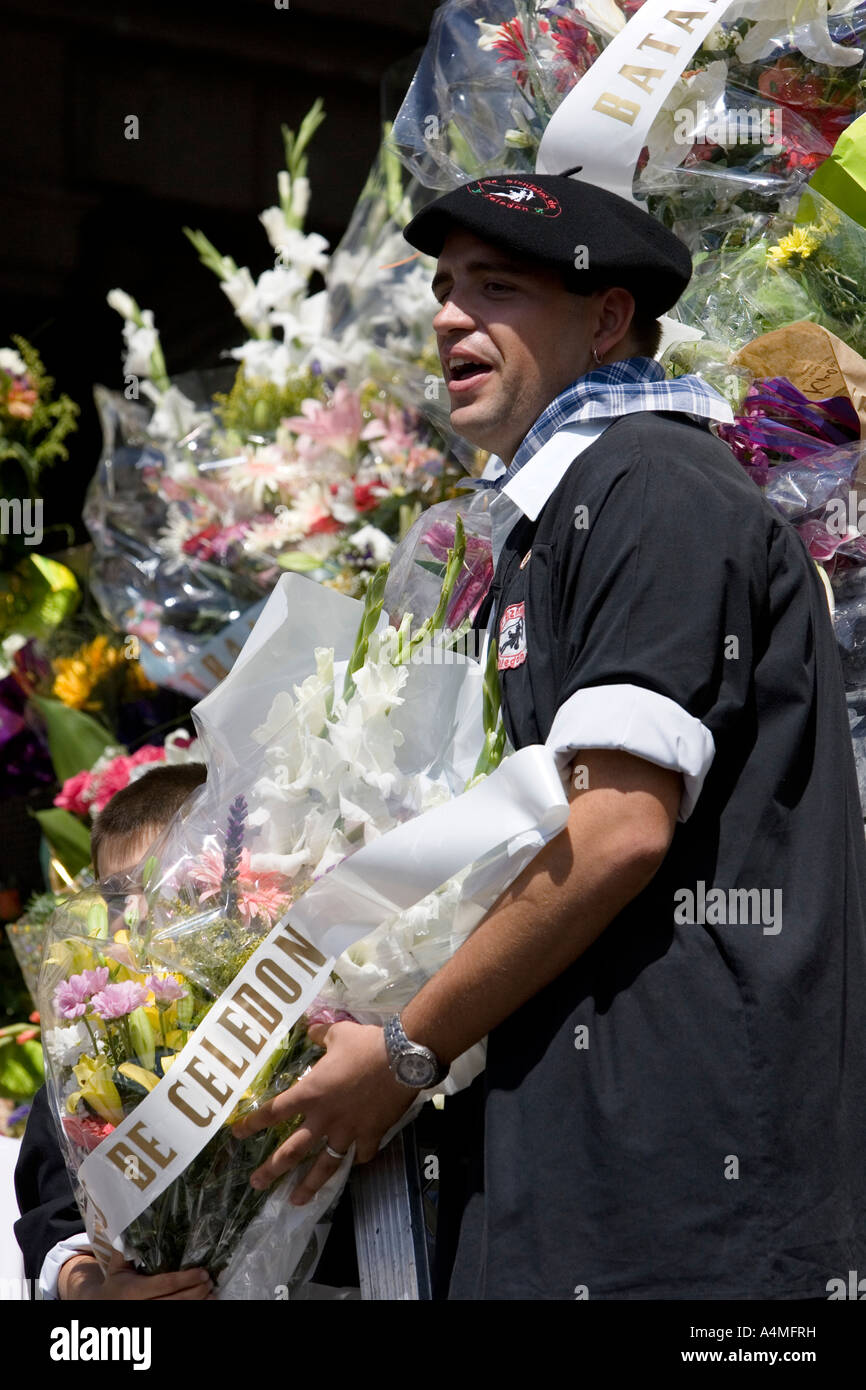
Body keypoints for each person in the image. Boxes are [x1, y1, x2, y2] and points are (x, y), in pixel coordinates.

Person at [232, 171, 866, 1300]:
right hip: (570, 1178)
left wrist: (403, 1052)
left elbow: (616, 830)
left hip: (678, 1206)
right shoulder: (528, 525)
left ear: (606, 320)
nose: (446, 314)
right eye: (441, 287)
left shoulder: (652, 481)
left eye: (497, 286)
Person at [14, 762, 213, 1300]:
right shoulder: (87, 1066)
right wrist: (90, 1290)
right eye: (119, 896)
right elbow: (57, 1217)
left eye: (173, 884)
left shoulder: (291, 1028)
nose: (142, 914)